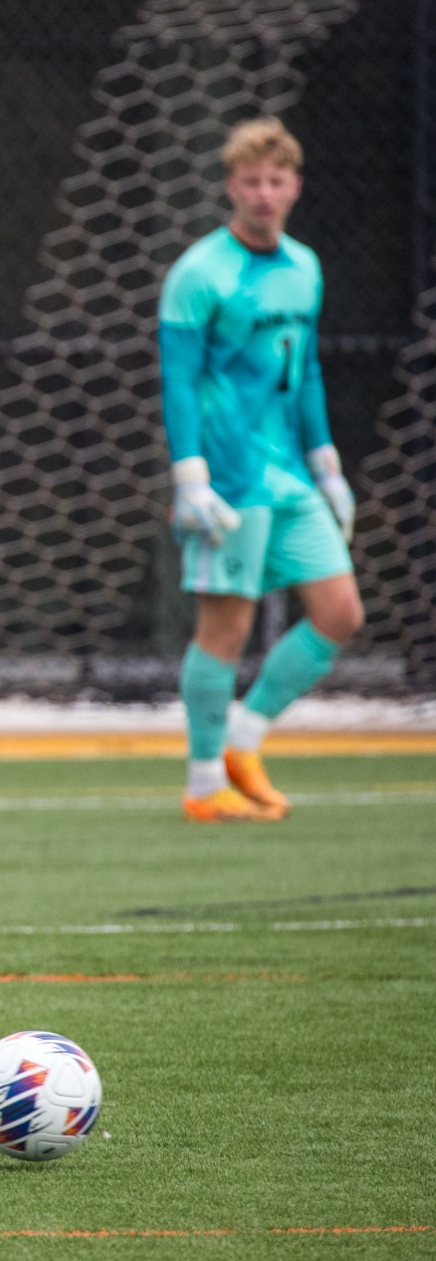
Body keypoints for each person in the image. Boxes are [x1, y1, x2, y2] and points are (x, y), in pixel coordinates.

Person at [159, 118, 363, 823]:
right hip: (228, 476)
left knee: (340, 612)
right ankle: (203, 781)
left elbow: (303, 373)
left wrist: (327, 465)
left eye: (276, 181)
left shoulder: (304, 266)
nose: (264, 193)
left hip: (287, 474)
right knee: (226, 629)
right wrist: (190, 478)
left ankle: (245, 739)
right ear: (231, 188)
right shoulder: (199, 273)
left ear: (295, 187)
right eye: (252, 181)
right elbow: (179, 381)